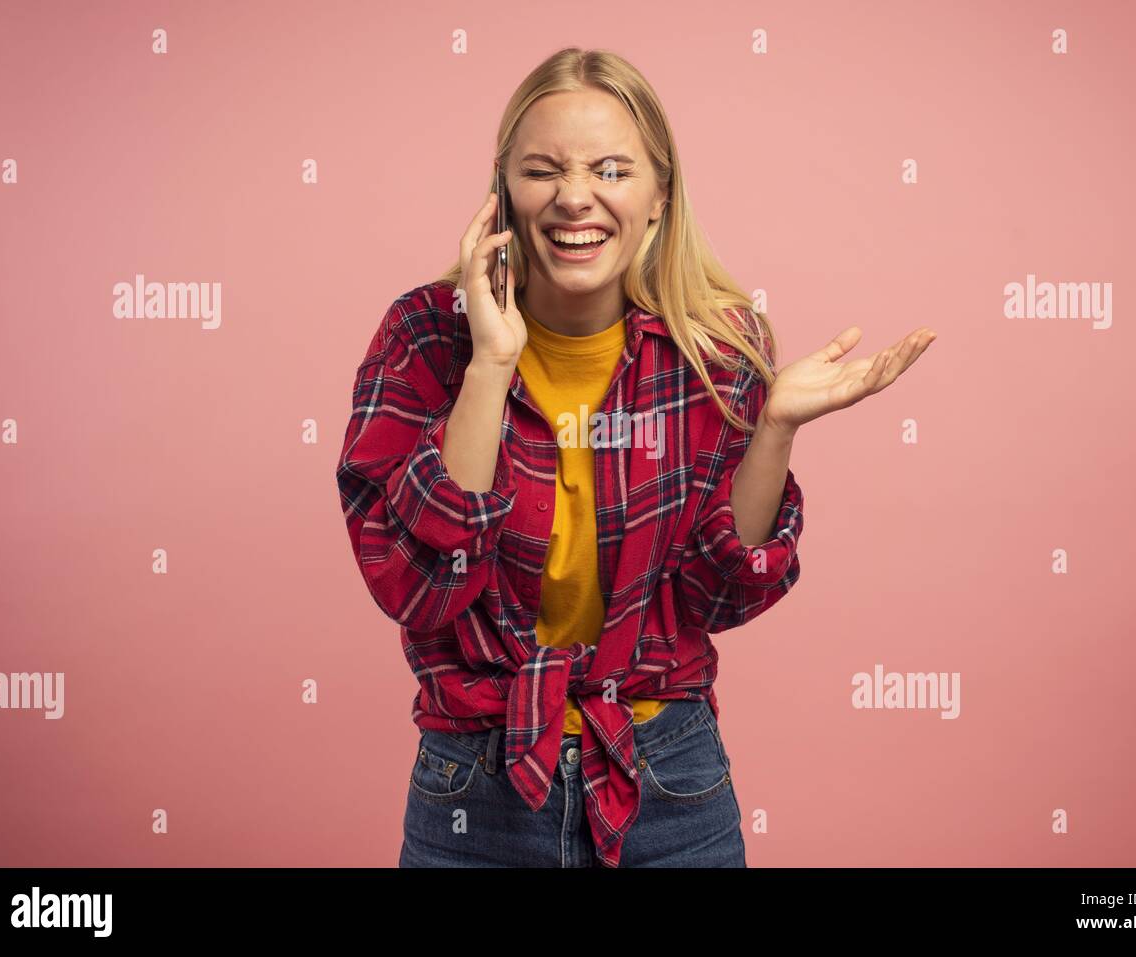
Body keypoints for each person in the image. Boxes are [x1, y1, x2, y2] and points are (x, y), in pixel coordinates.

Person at [336, 47, 936, 868]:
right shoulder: (424, 335)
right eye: (541, 169)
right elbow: (419, 586)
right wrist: (490, 364)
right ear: (503, 192)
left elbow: (717, 593)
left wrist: (775, 430)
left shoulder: (716, 350)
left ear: (658, 198)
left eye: (612, 169)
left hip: (668, 775)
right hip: (475, 782)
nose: (574, 196)